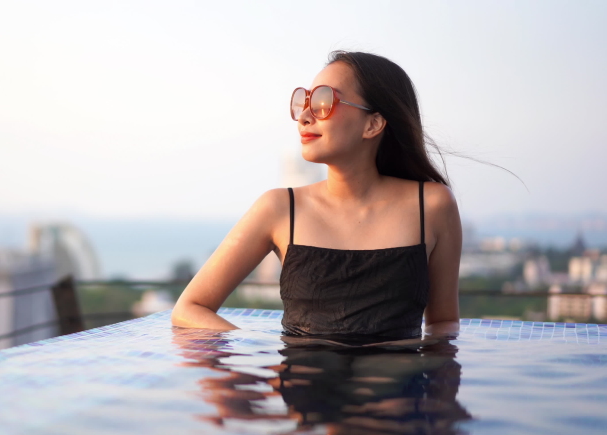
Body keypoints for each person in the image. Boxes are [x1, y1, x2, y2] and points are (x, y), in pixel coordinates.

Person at [171, 51, 462, 338]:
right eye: (304, 102)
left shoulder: (432, 206)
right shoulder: (279, 209)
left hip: (398, 383)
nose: (305, 117)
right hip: (299, 383)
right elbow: (189, 309)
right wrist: (256, 354)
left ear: (373, 123)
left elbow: (443, 323)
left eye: (324, 101)